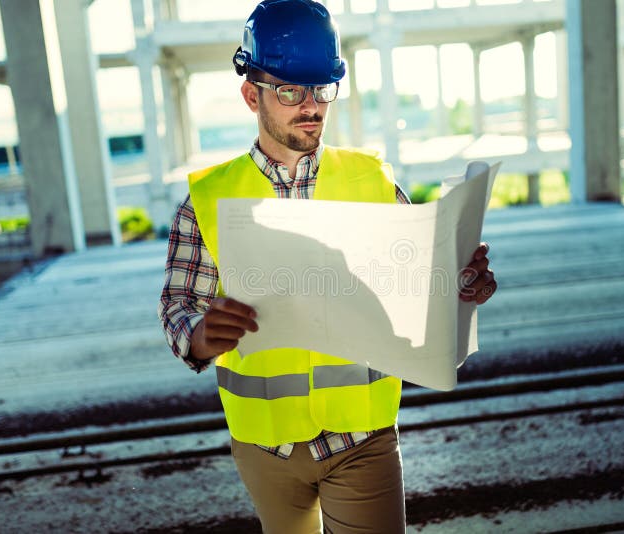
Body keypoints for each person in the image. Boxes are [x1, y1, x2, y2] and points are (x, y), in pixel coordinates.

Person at [158, 1, 497, 532]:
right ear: (251, 95)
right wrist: (202, 336)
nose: (311, 106)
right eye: (290, 92)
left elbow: (421, 286)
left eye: (322, 89)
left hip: (361, 438)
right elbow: (179, 307)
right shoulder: (207, 201)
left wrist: (460, 285)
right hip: (264, 445)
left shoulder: (373, 183)